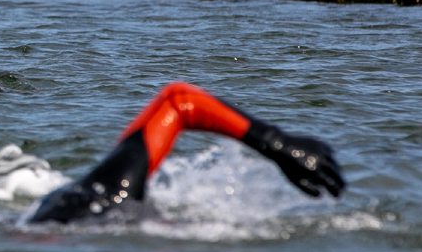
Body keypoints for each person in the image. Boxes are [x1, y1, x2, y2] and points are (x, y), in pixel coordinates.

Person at [27, 81, 345, 224]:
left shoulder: (102, 199)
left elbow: (178, 100)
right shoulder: (107, 202)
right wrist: (278, 144)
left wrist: (277, 144)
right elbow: (178, 101)